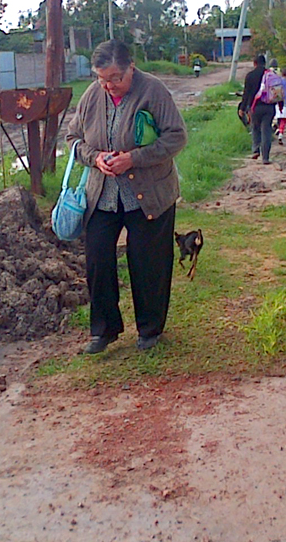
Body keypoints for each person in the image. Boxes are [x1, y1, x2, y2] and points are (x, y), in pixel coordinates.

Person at [66, 39, 188, 354]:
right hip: (103, 195)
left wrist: (133, 159)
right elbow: (73, 138)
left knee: (149, 262)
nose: (109, 86)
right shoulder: (93, 95)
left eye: (115, 78)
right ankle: (104, 330)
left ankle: (149, 329)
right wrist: (95, 158)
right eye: (102, 79)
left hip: (149, 194)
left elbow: (176, 137)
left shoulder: (154, 91)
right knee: (97, 258)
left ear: (131, 67)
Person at [238, 55, 277, 165]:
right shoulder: (271, 75)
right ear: (265, 63)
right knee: (266, 131)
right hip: (269, 107)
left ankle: (255, 150)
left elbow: (246, 94)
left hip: (255, 107)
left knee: (255, 128)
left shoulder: (250, 76)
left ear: (254, 63)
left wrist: (242, 108)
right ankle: (265, 157)